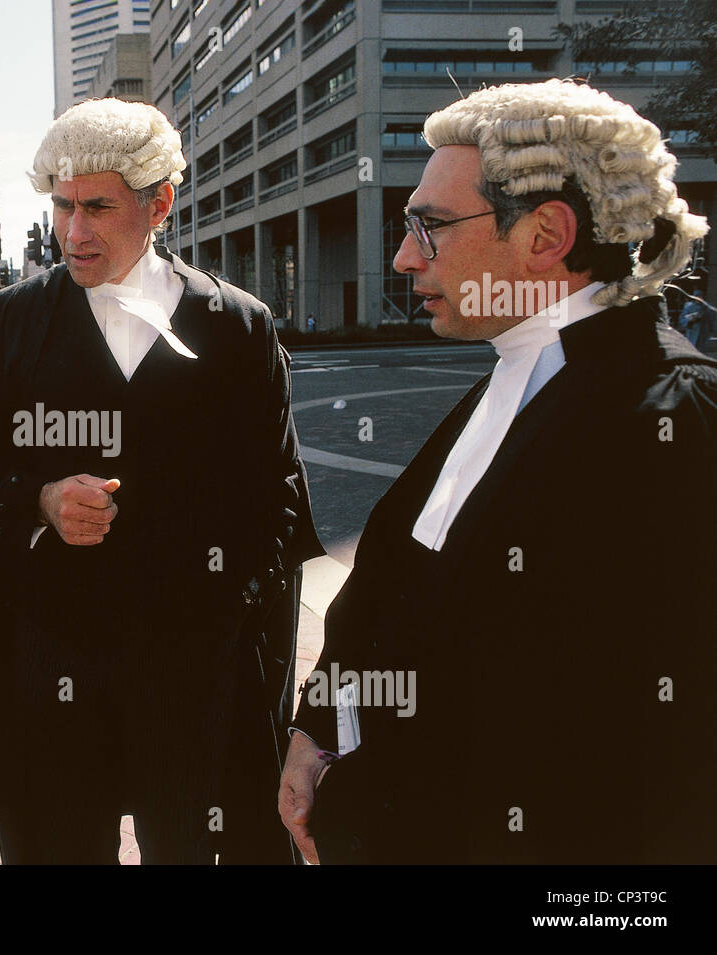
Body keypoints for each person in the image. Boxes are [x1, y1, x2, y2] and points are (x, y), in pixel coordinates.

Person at [280, 79, 717, 865]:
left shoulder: (674, 416)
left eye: (432, 225)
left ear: (546, 232)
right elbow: (388, 590)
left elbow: (643, 749)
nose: (405, 254)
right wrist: (313, 727)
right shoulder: (511, 373)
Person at [0, 98, 323, 864]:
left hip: (193, 681)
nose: (73, 232)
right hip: (53, 672)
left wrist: (222, 616)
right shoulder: (8, 326)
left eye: (98, 208)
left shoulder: (238, 328)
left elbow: (280, 497)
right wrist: (39, 499)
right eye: (62, 206)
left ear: (159, 204)